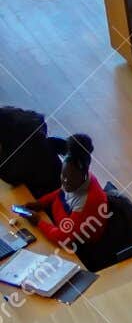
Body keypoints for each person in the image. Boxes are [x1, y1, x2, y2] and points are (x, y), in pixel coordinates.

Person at [20, 134, 114, 267]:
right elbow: (60, 193)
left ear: (83, 175)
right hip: (57, 226)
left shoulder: (89, 200)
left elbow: (63, 238)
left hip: (76, 246)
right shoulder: (75, 181)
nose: (64, 182)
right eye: (63, 175)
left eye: (69, 179)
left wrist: (38, 222)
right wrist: (39, 204)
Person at [0, 104, 62, 197]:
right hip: (55, 175)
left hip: (46, 194)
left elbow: (11, 177)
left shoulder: (19, 152)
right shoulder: (13, 116)